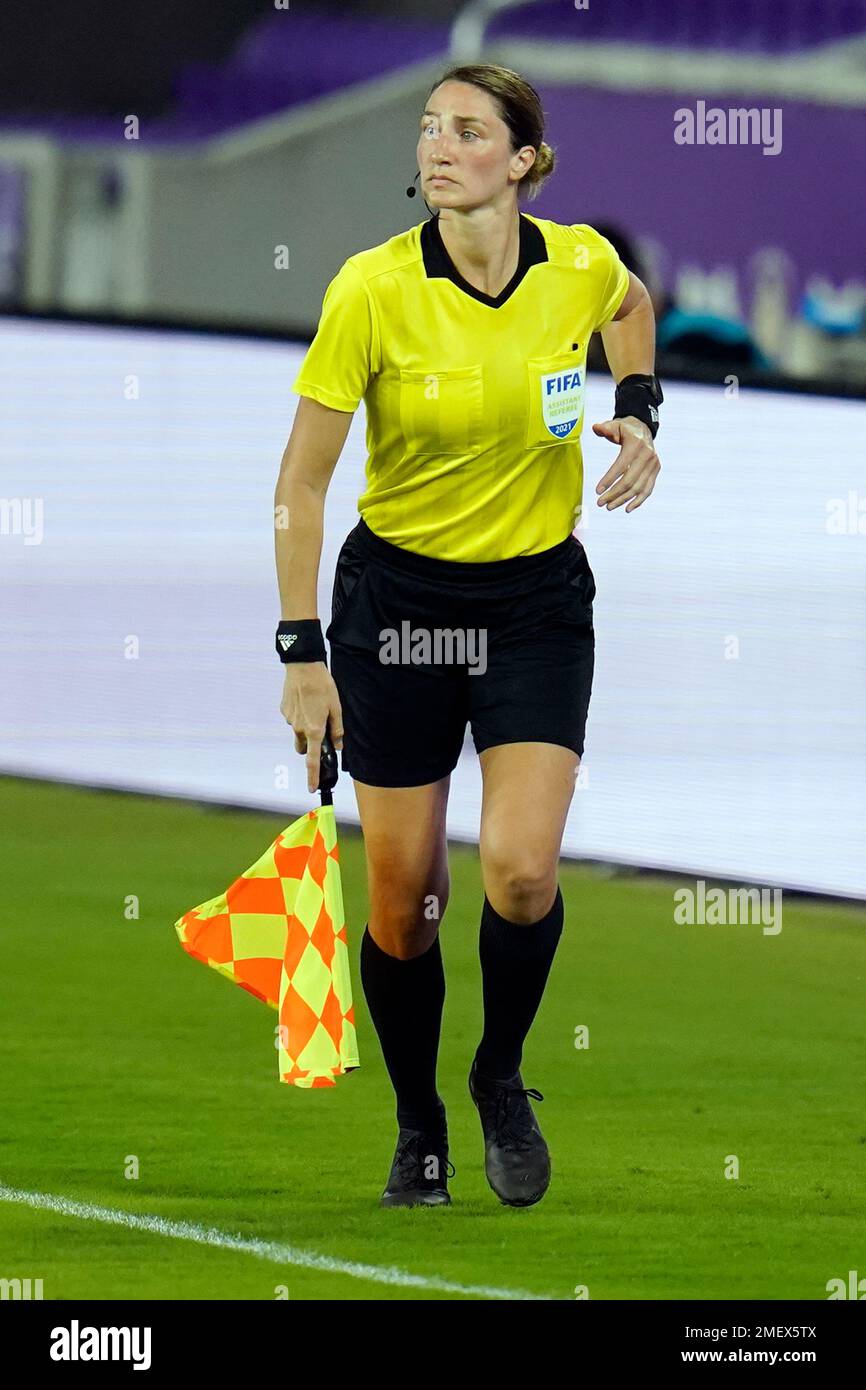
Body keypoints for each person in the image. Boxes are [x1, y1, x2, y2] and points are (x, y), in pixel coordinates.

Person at [274, 62, 662, 1209]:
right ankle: (418, 1125)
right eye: (429, 128)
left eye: (470, 131)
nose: (438, 146)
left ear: (525, 162)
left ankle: (498, 1074)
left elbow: (631, 309)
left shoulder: (578, 262)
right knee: (401, 902)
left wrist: (638, 410)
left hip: (534, 606)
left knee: (519, 871)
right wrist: (302, 654)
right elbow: (301, 483)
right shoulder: (369, 289)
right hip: (396, 608)